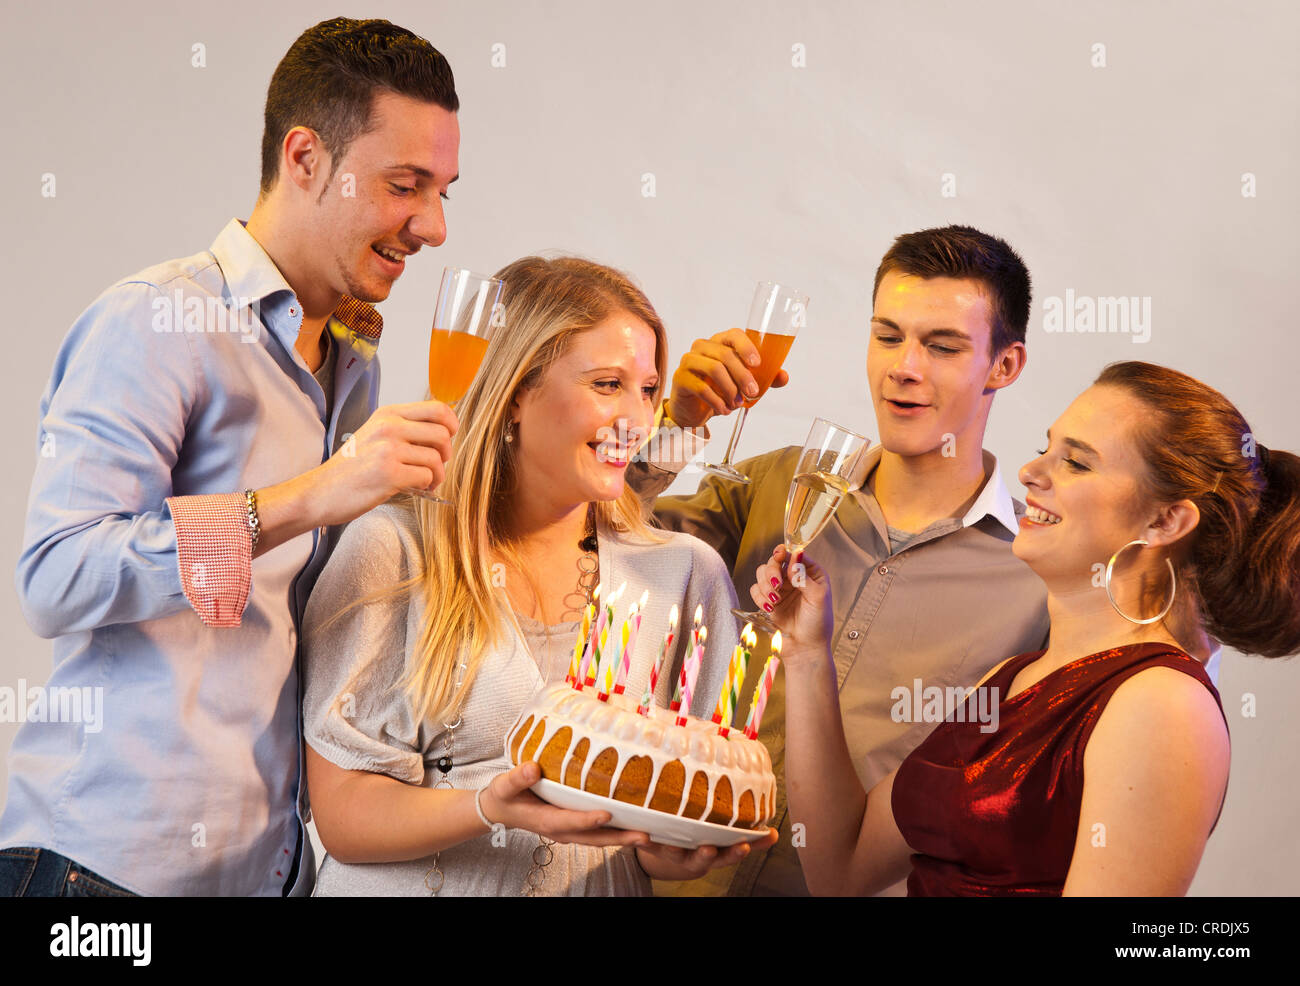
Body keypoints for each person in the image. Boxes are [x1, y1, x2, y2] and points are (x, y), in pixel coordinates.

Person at [1, 18, 462, 897]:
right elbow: (55, 577)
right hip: (98, 874)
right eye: (408, 186)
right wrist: (309, 497)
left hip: (262, 877)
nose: (433, 226)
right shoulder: (155, 322)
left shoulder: (353, 370)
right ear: (304, 158)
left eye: (443, 191)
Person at [302, 255, 774, 896]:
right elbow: (342, 817)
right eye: (607, 384)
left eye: (647, 389)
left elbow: (660, 816)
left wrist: (675, 851)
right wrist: (486, 806)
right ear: (518, 393)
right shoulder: (396, 547)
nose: (635, 420)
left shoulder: (681, 573)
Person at [757, 361, 1299, 895]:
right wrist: (807, 652)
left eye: (1077, 463)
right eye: (1047, 448)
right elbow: (841, 868)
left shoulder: (1162, 703)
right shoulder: (1012, 675)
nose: (1030, 472)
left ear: (1164, 521)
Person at [631, 225, 1054, 895]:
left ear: (1004, 366)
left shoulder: (1039, 580)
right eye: (888, 336)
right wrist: (676, 422)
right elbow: (597, 541)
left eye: (942, 346)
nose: (903, 368)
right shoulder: (776, 485)